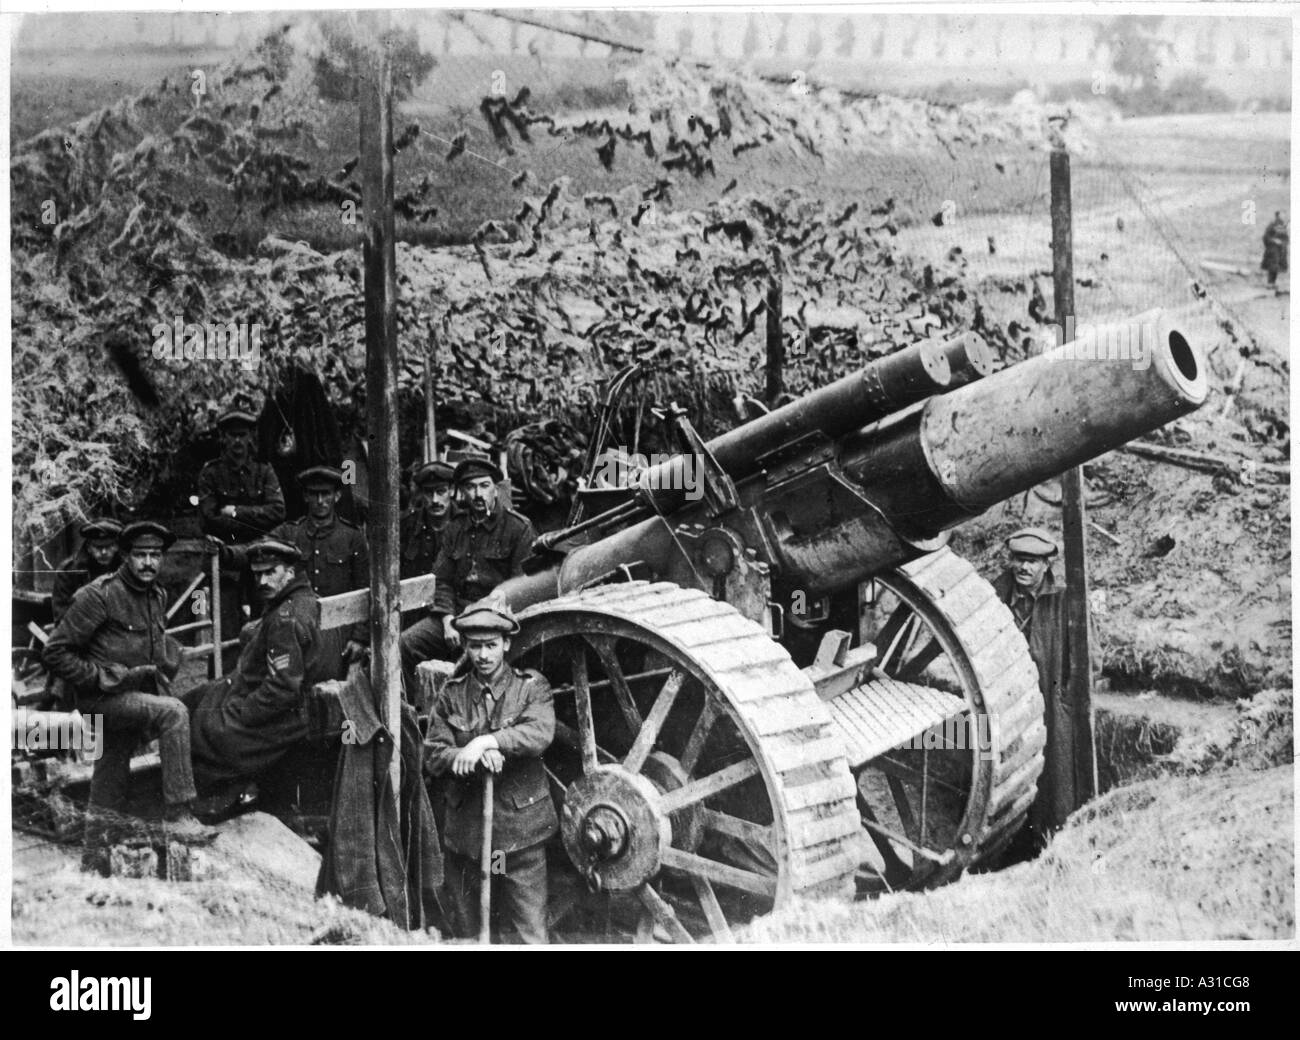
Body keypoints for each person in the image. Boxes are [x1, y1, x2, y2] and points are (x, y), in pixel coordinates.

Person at [43, 521, 207, 836]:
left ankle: (94, 857)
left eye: (155, 555)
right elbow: (55, 652)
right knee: (173, 712)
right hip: (102, 700)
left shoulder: (155, 595)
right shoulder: (99, 595)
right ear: (126, 556)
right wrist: (100, 678)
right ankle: (178, 814)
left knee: (108, 781)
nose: (149, 562)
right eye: (141, 555)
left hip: (131, 697)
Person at [424, 599, 556, 943]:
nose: (482, 655)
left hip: (519, 834)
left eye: (491, 646)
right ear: (465, 646)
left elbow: (539, 732)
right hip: (468, 834)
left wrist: (486, 742)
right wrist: (467, 758)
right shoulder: (451, 695)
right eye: (475, 646)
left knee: (530, 933)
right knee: (470, 933)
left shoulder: (531, 687)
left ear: (507, 644)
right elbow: (435, 754)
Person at [184, 538, 327, 795]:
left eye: (271, 572)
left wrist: (244, 711)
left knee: (208, 731)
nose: (262, 582)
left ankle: (216, 797)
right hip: (276, 696)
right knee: (194, 701)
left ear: (290, 572)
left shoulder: (286, 618)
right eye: (258, 574)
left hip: (285, 715)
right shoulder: (301, 597)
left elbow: (282, 688)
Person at [220, 465, 368, 679]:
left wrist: (360, 638)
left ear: (336, 496)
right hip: (294, 626)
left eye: (325, 494)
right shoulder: (290, 532)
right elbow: (256, 549)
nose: (320, 501)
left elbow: (365, 589)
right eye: (314, 494)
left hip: (337, 631)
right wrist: (225, 553)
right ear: (305, 496)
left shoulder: (353, 538)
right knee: (252, 639)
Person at [992, 527, 1091, 842]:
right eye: (1020, 559)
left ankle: (1052, 839)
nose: (1024, 568)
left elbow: (1092, 653)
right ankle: (1009, 840)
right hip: (1010, 702)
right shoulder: (997, 594)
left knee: (1055, 774)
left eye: (1033, 561)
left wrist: (1069, 696)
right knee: (1007, 768)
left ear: (1048, 564)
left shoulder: (1064, 597)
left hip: (1052, 699)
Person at [399, 454, 536, 681]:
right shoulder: (456, 527)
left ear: (496, 489)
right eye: (471, 488)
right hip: (457, 613)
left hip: (497, 616)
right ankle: (417, 712)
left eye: (484, 486)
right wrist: (447, 621)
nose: (478, 494)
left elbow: (521, 585)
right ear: (462, 492)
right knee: (405, 644)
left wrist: (486, 617)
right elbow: (441, 579)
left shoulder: (518, 528)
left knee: (476, 663)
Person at [196, 395, 287, 669]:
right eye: (232, 436)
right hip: (224, 565)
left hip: (261, 561)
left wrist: (235, 512)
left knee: (266, 628)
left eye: (243, 435)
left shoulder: (264, 471)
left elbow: (278, 512)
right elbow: (208, 519)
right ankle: (222, 688)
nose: (238, 442)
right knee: (226, 637)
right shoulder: (211, 474)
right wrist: (256, 521)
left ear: (251, 437)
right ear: (223, 438)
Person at [51, 519, 123, 622]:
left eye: (109, 546)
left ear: (116, 546)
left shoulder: (125, 566)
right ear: (88, 547)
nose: (104, 552)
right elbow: (61, 618)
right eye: (98, 547)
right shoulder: (69, 571)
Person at [400, 460, 455, 580]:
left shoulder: (464, 524)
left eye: (441, 491)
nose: (435, 500)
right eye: (429, 492)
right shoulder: (406, 525)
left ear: (452, 490)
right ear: (421, 493)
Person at [1262, 211, 1288, 289]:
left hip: (1280, 250)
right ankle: (1269, 283)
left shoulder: (1283, 226)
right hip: (1273, 250)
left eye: (1284, 214)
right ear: (1278, 216)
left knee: (1277, 267)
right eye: (1282, 214)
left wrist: (1283, 243)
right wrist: (1274, 241)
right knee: (1272, 266)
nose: (1284, 216)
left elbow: (1285, 237)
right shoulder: (1272, 225)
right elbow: (1266, 237)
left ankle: (1273, 283)